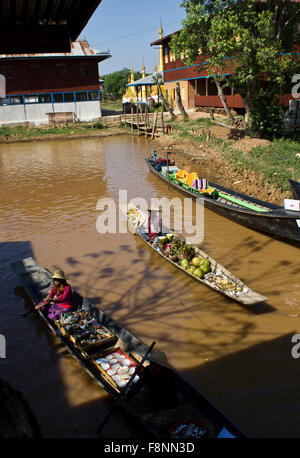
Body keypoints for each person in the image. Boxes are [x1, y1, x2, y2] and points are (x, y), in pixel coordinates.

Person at [127, 349, 179, 429]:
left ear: (161, 367)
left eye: (156, 365)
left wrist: (142, 376)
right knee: (133, 402)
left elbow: (156, 394)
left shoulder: (166, 379)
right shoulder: (148, 370)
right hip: (153, 401)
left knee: (146, 421)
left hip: (165, 407)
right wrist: (140, 374)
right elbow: (142, 384)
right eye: (152, 364)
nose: (153, 367)